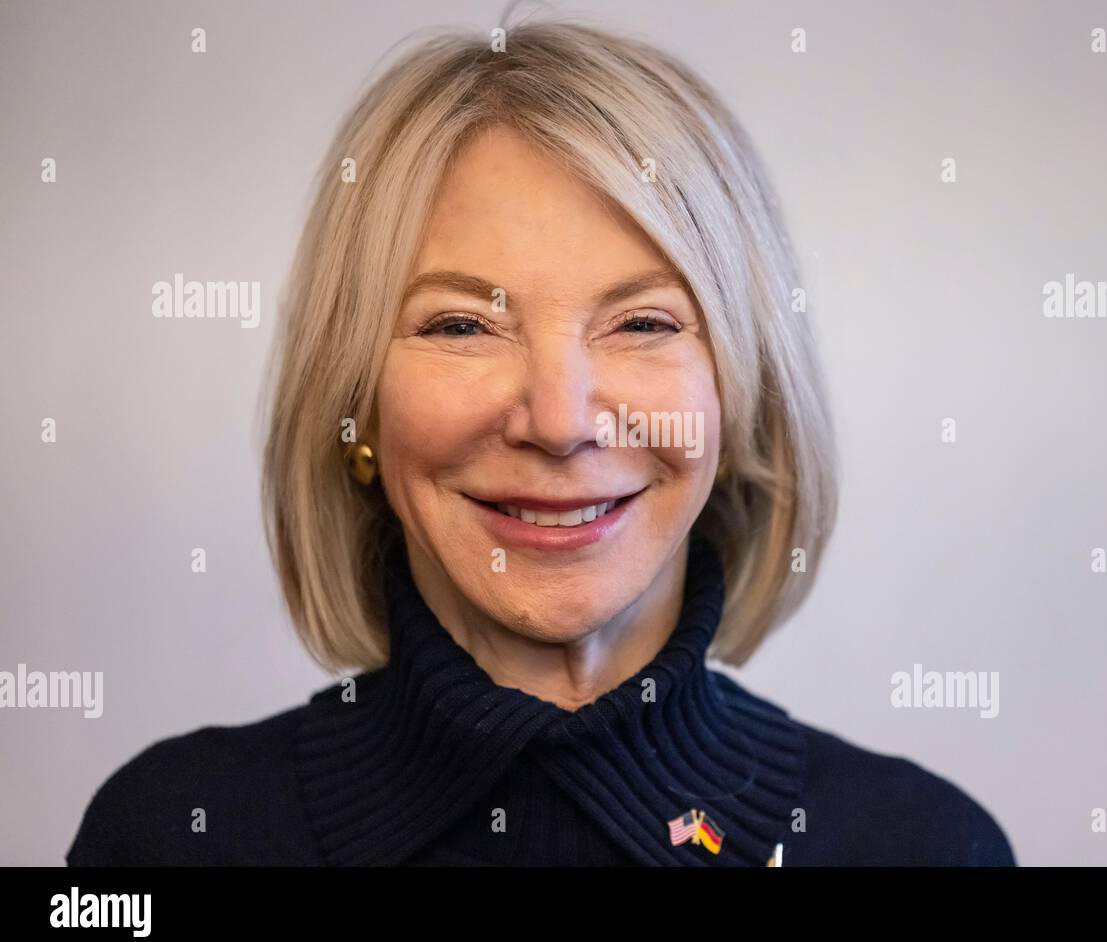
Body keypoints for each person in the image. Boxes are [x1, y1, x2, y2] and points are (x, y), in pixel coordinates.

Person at [66, 18, 1014, 867]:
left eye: (643, 322)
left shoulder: (926, 846)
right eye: (460, 326)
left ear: (742, 400)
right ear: (357, 410)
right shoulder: (172, 835)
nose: (560, 421)